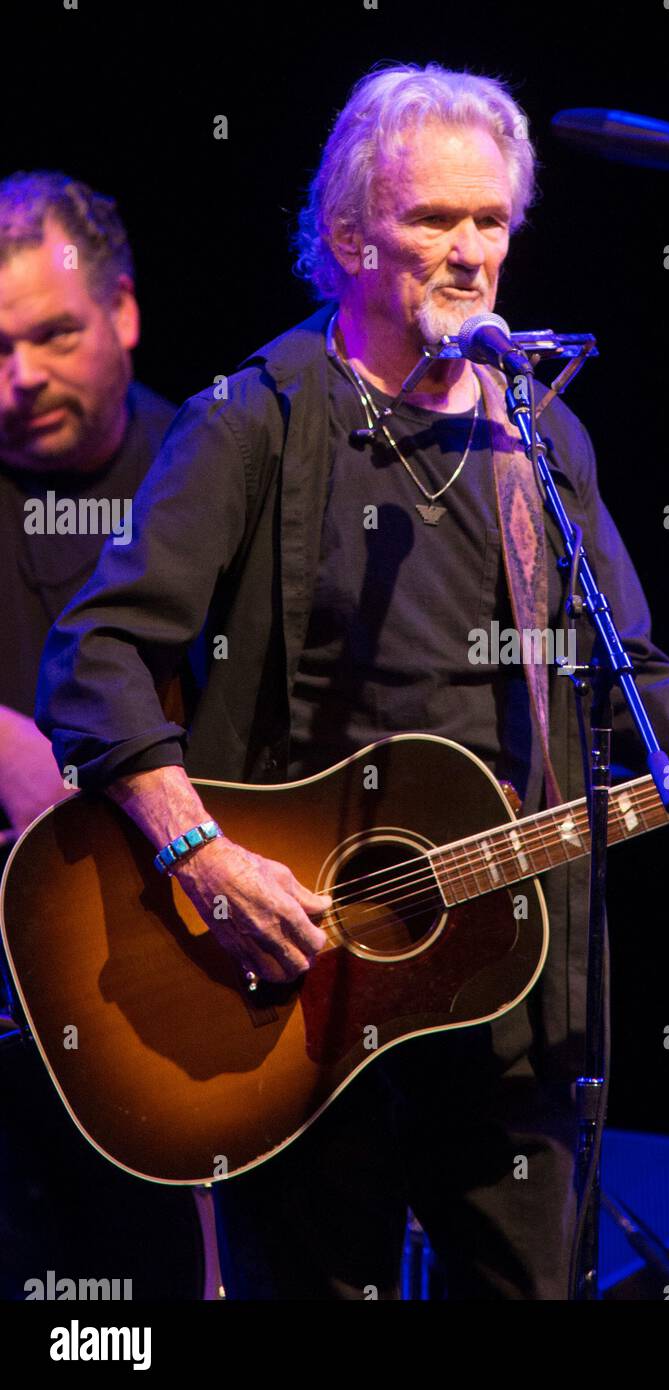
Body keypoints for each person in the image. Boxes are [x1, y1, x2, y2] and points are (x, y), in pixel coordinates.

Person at [36, 64, 669, 1300]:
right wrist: (198, 856)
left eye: (490, 221)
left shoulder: (535, 434)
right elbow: (96, 654)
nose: (470, 251)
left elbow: (626, 679)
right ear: (347, 237)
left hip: (511, 993)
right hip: (297, 995)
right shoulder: (254, 418)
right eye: (434, 219)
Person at [0, 171, 199, 1298]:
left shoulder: (210, 467)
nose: (21, 380)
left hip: (178, 1017)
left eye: (54, 335)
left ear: (121, 311)